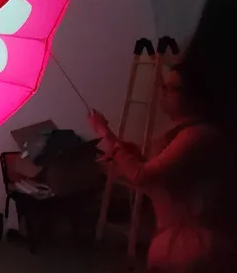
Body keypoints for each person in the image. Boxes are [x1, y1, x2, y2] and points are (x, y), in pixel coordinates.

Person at [88, 64, 237, 272]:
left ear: (193, 96)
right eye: (164, 86)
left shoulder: (197, 136)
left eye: (172, 88)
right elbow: (153, 176)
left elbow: (143, 175)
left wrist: (113, 144)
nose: (163, 92)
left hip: (196, 249)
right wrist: (108, 135)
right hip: (179, 243)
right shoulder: (184, 134)